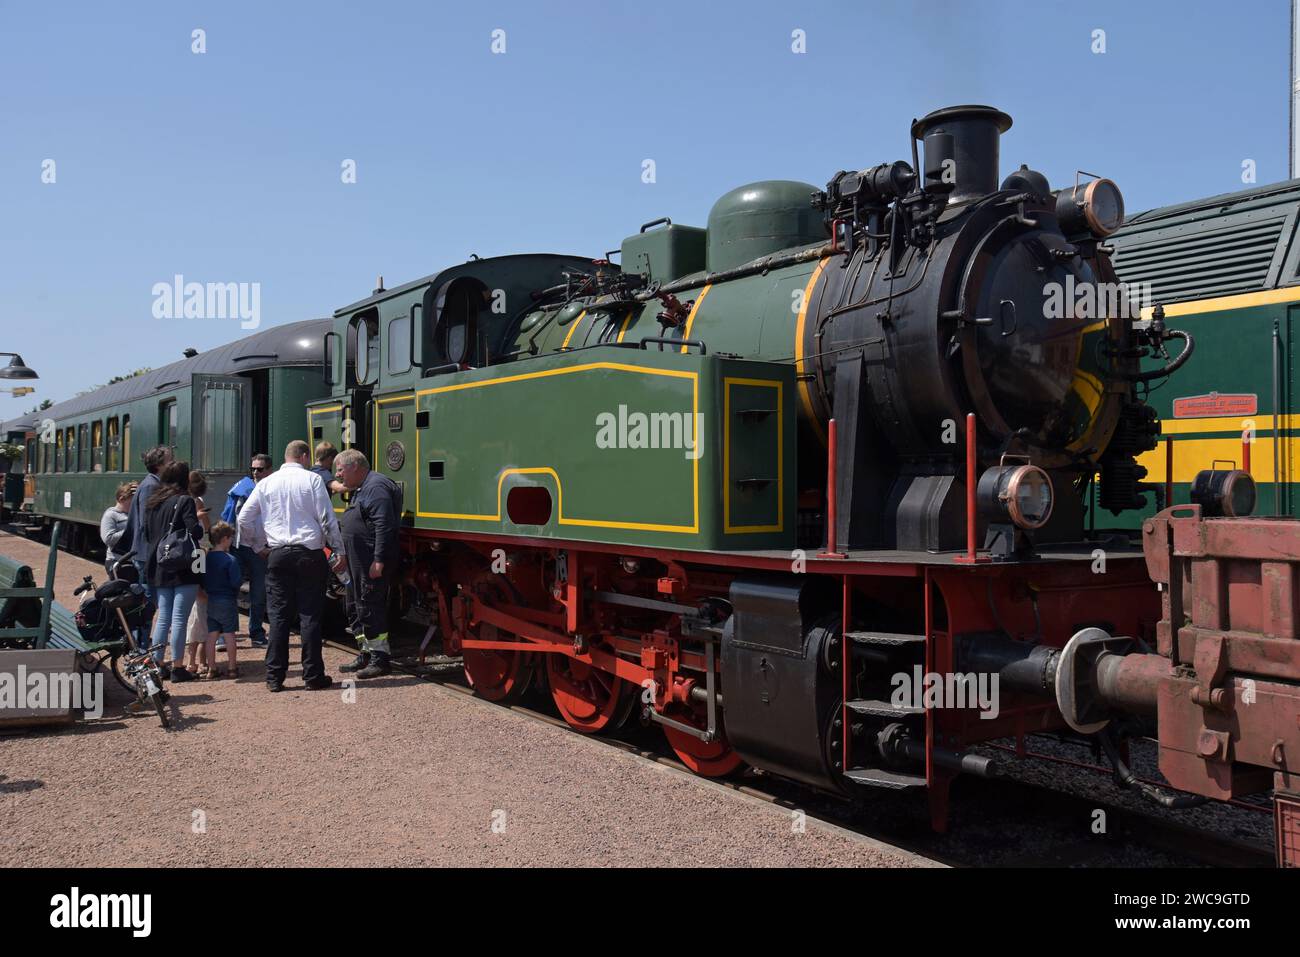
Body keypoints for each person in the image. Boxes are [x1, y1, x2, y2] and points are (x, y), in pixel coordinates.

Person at [237, 440, 344, 693]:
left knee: (278, 618)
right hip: (309, 554)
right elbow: (327, 519)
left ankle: (275, 677)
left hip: (278, 554)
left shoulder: (265, 483)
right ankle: (313, 675)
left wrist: (257, 546)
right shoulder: (313, 481)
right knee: (310, 616)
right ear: (305, 457)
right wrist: (338, 549)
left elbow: (243, 518)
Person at [333, 449, 402, 678]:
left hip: (369, 560)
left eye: (340, 469)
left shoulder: (376, 488)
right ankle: (365, 653)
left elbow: (384, 526)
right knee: (353, 606)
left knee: (369, 606)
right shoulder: (361, 488)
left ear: (354, 466)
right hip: (357, 560)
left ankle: (380, 659)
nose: (337, 474)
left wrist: (378, 560)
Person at [143, 461, 204, 681]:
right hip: (183, 565)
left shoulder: (153, 502)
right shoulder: (185, 501)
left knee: (163, 618)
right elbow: (194, 532)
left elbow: (146, 533)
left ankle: (159, 663)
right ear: (184, 479)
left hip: (159, 564)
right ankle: (178, 667)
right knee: (179, 618)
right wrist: (198, 518)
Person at [222, 453, 272, 648]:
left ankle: (256, 634)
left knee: (259, 594)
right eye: (253, 469)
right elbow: (233, 518)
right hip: (241, 547)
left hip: (259, 549)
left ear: (269, 470)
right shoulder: (243, 488)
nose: (256, 472)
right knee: (229, 591)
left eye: (260, 469)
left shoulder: (272, 488)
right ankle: (225, 634)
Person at [120, 445, 173, 590]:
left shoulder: (154, 483)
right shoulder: (151, 486)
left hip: (147, 552)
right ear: (158, 465)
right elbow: (146, 521)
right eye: (170, 460)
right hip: (146, 553)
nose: (173, 463)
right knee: (148, 595)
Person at [202, 522, 242, 679]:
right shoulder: (230, 559)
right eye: (231, 538)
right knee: (229, 634)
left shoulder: (206, 558)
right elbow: (236, 582)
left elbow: (202, 579)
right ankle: (232, 668)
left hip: (210, 599)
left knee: (212, 635)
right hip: (227, 599)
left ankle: (212, 668)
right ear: (225, 539)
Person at [99, 481, 137, 576]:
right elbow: (108, 538)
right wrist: (129, 530)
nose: (134, 504)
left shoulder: (134, 514)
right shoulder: (111, 515)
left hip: (133, 560)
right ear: (121, 499)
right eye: (131, 501)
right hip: (117, 561)